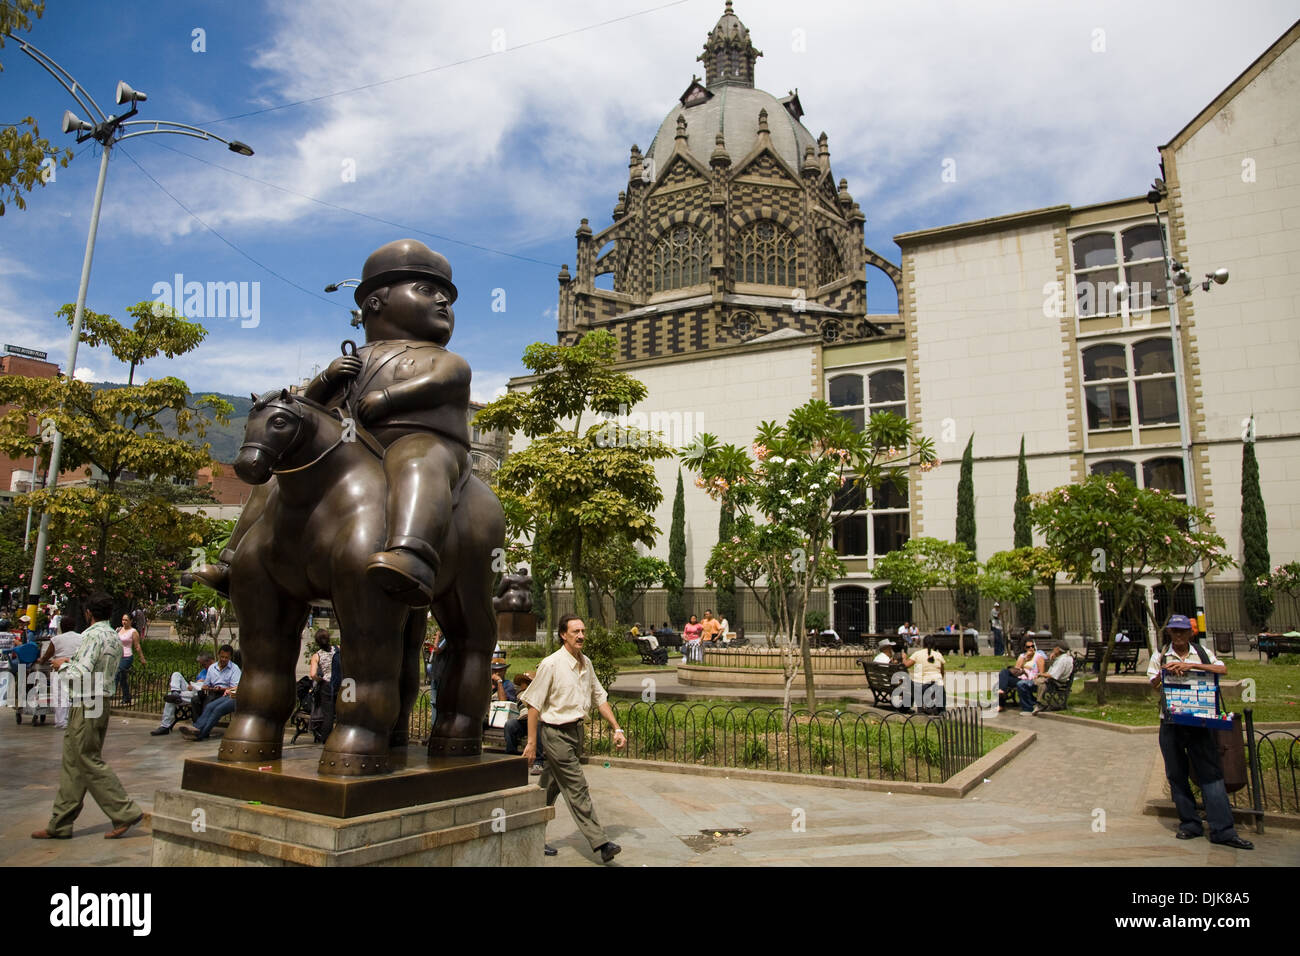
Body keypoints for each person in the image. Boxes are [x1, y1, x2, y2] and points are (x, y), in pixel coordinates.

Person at [31, 591, 144, 840]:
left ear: (88, 613)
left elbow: (81, 671)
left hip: (88, 700)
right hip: (97, 700)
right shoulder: (113, 636)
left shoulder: (92, 635)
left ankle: (125, 811)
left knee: (87, 758)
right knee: (73, 762)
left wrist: (62, 666)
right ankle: (60, 823)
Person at [520, 614, 626, 863]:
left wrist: (616, 728)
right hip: (555, 733)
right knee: (577, 787)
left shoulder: (585, 663)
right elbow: (533, 705)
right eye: (575, 631)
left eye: (583, 631)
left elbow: (600, 697)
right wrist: (532, 743)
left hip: (576, 733)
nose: (581, 636)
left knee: (549, 786)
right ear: (562, 635)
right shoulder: (551, 664)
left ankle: (528, 833)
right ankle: (600, 842)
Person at [1148, 615, 1252, 849]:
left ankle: (1222, 830)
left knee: (1211, 774)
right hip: (1171, 722)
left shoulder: (1201, 653)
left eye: (1183, 632)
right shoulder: (1161, 655)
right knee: (1176, 774)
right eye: (1175, 632)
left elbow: (1222, 669)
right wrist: (1166, 672)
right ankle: (1190, 824)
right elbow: (1152, 683)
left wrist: (1191, 665)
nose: (1179, 636)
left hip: (1200, 722)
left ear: (1190, 633)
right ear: (1169, 634)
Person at [179, 644, 240, 741]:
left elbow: (236, 687)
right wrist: (206, 687)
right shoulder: (212, 667)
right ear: (218, 655)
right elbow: (206, 684)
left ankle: (201, 734)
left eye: (226, 657)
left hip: (231, 695)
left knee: (217, 709)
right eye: (222, 657)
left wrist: (224, 689)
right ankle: (196, 728)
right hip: (215, 693)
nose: (224, 659)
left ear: (230, 657)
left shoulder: (234, 669)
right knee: (209, 706)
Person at [151, 651, 214, 735]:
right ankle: (175, 692)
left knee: (171, 698)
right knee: (176, 674)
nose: (202, 667)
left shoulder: (215, 669)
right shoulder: (203, 671)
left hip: (203, 694)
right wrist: (193, 685)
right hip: (192, 691)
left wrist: (203, 683)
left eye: (203, 664)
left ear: (210, 661)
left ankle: (165, 726)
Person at [40, 618, 84, 728]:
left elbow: (47, 655)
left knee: (59, 696)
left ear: (61, 627)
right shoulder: (82, 638)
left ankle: (61, 721)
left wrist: (41, 660)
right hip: (75, 669)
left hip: (60, 669)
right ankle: (72, 720)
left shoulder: (56, 639)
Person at [506, 672, 545, 774]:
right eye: (522, 682)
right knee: (510, 725)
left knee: (538, 725)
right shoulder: (520, 694)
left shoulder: (539, 693)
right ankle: (512, 758)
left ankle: (538, 762)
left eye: (526, 682)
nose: (523, 685)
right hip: (522, 721)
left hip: (537, 721)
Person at [998, 638, 1046, 712]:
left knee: (1003, 680)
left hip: (1030, 679)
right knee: (1004, 672)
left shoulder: (1038, 657)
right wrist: (1025, 659)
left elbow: (1041, 672)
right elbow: (1017, 670)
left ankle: (1001, 704)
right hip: (1020, 677)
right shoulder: (1022, 656)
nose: (1031, 648)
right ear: (1024, 648)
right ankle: (1002, 691)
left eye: (1032, 646)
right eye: (1028, 647)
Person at [308, 631, 337, 743]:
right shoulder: (338, 649)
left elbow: (313, 674)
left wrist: (320, 680)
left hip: (327, 685)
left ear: (317, 642)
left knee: (328, 715)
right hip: (343, 684)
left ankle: (326, 741)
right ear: (329, 638)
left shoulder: (317, 655)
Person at [906, 636, 946, 713]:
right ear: (934, 644)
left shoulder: (917, 654)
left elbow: (906, 665)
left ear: (923, 644)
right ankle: (942, 710)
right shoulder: (938, 655)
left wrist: (904, 658)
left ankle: (920, 709)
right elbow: (942, 672)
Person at [114, 613, 145, 706]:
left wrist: (142, 658)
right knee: (123, 678)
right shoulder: (119, 630)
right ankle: (127, 697)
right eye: (123, 620)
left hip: (127, 656)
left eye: (126, 620)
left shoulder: (133, 631)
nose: (124, 622)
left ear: (131, 621)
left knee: (118, 673)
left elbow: (137, 646)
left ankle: (111, 693)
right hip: (119, 656)